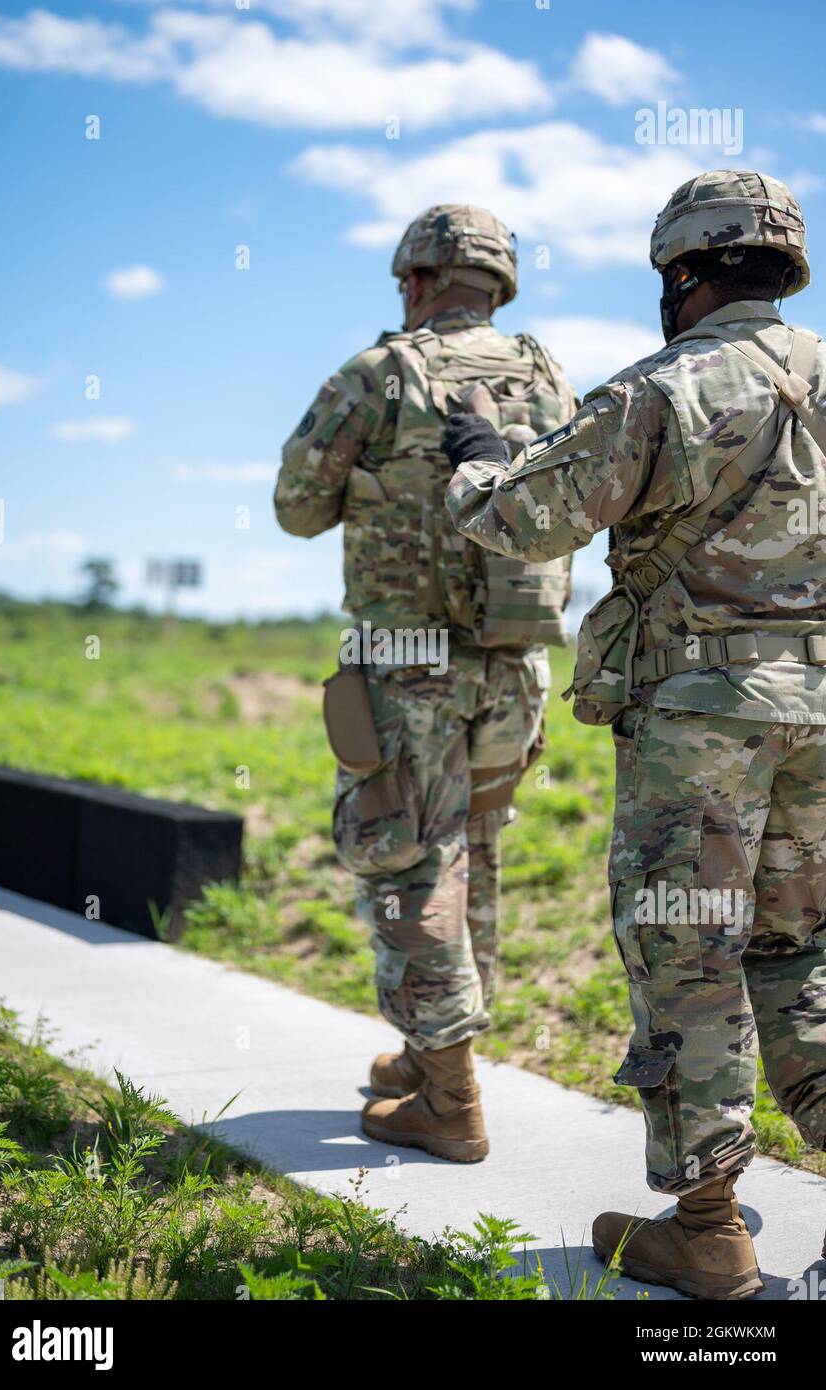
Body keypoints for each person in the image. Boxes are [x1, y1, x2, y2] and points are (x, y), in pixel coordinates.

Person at [443, 170, 826, 1294]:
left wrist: (477, 452)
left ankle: (709, 1229)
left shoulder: (666, 389)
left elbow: (512, 519)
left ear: (685, 274)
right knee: (805, 954)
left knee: (689, 960)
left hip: (702, 725)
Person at [275, 205, 576, 1161]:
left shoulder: (380, 374)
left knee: (410, 857)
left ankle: (449, 1100)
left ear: (413, 280)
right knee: (471, 852)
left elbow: (295, 507)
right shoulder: (545, 374)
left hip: (410, 665)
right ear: (499, 285)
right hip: (519, 665)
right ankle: (427, 1052)